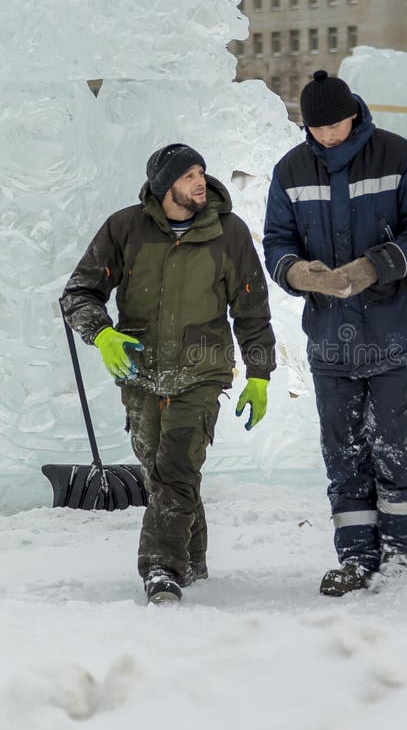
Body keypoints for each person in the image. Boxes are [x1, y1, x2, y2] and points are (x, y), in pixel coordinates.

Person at [61, 144, 276, 603]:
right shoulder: (125, 228)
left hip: (201, 373)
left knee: (176, 468)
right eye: (188, 176)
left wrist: (260, 373)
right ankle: (192, 560)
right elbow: (78, 293)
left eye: (201, 172)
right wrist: (102, 334)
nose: (200, 182)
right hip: (140, 374)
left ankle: (162, 569)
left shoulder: (229, 232)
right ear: (164, 187)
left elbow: (252, 310)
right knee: (163, 476)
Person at [263, 70, 407, 596]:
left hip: (395, 334)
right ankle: (356, 557)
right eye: (316, 128)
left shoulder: (397, 155)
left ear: (354, 114)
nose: (326, 135)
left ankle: (400, 553)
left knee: (398, 447)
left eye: (335, 125)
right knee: (343, 454)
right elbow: (277, 240)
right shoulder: (290, 170)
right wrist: (297, 272)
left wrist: (375, 266)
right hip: (331, 340)